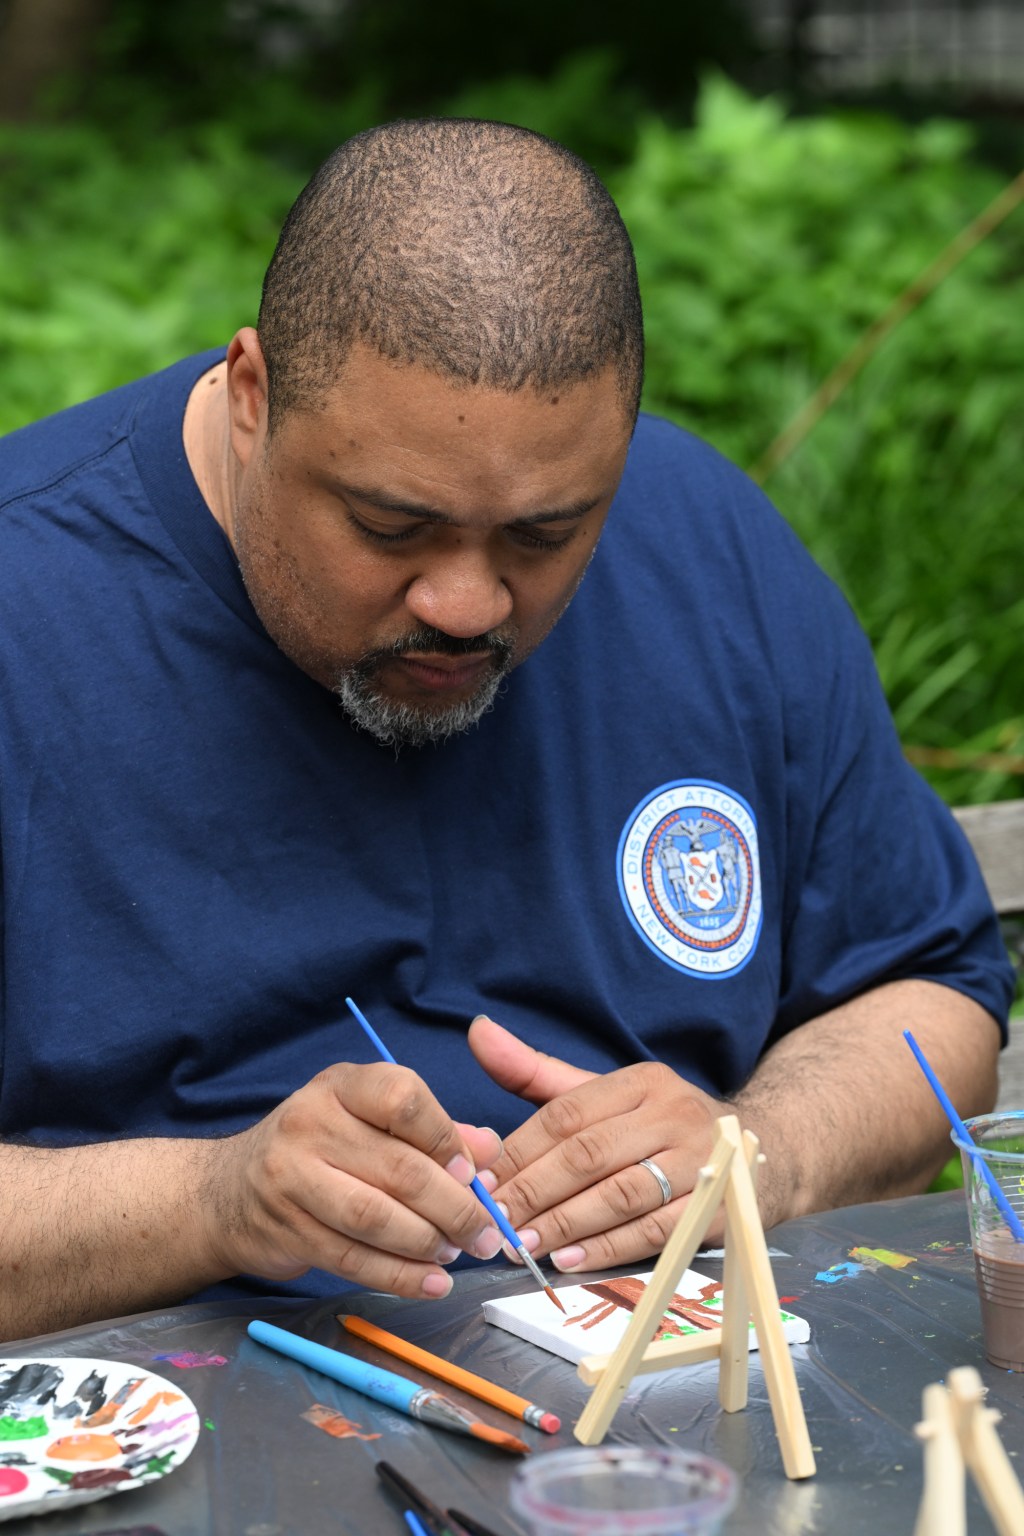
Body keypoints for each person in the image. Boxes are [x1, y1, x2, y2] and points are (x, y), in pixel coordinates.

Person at [0, 118, 1012, 1342]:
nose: (467, 604)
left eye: (542, 536)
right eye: (389, 524)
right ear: (255, 395)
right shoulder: (31, 601)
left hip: (682, 1392)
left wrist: (764, 1150)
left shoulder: (705, 545)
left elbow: (929, 990)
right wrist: (210, 1202)